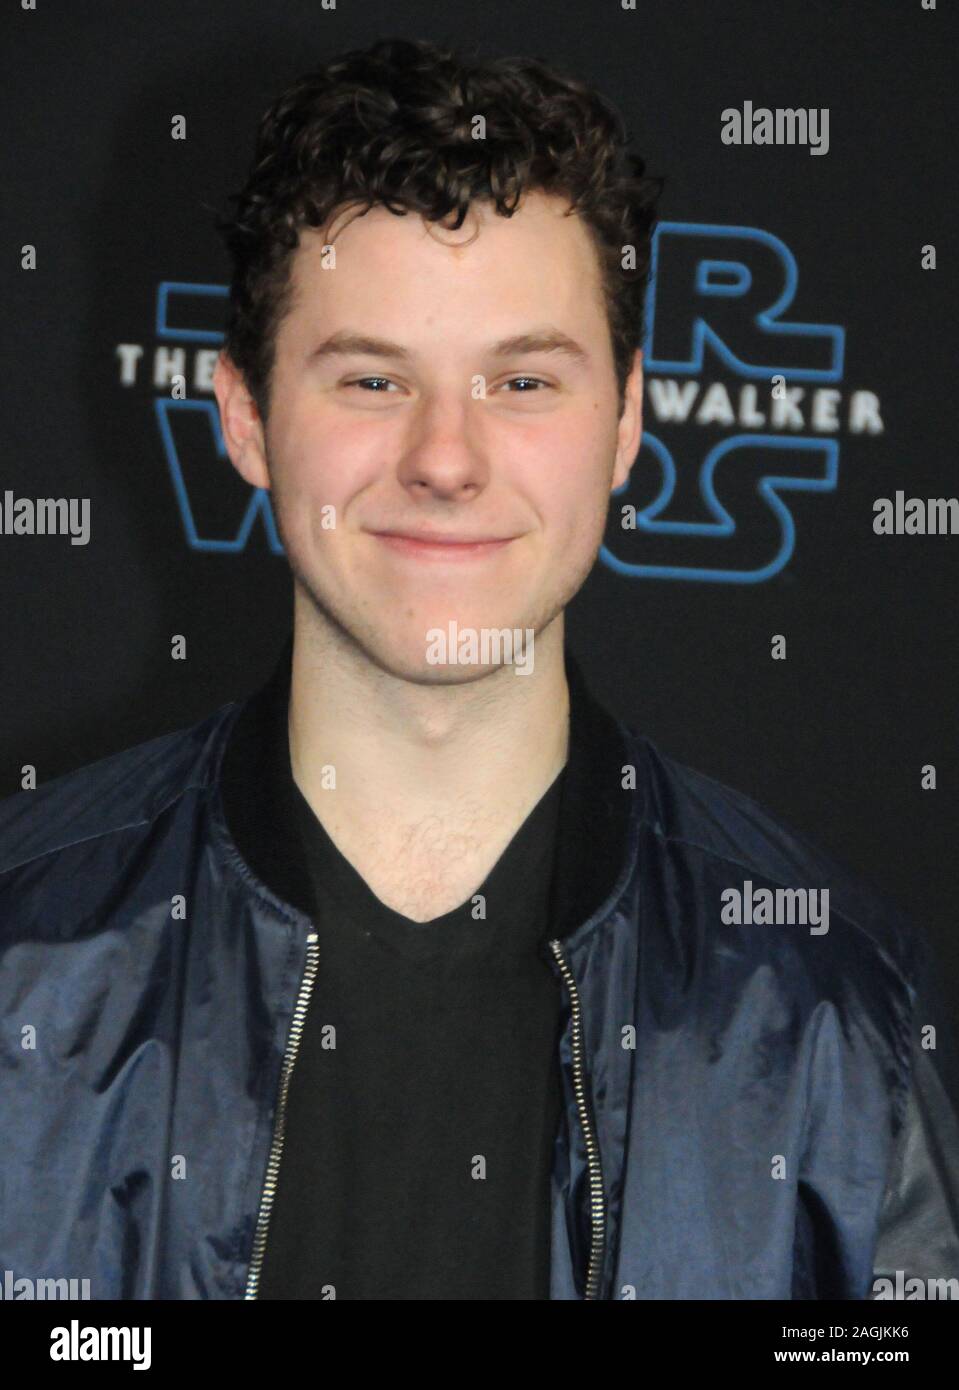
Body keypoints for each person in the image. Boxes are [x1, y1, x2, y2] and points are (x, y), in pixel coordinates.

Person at [1, 36, 957, 1302]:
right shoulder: (24, 952)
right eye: (370, 377)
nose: (444, 458)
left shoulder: (832, 1009)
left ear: (623, 422)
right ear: (242, 416)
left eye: (520, 379)